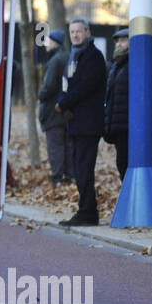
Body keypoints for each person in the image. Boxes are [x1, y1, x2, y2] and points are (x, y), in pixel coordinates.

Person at [55, 18, 107, 227]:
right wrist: (63, 103)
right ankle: (86, 209)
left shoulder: (92, 57)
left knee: (84, 168)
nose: (75, 35)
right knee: (79, 168)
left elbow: (83, 87)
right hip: (76, 121)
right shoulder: (74, 57)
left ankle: (88, 212)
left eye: (79, 31)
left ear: (88, 32)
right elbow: (67, 85)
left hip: (88, 123)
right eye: (72, 32)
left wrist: (64, 104)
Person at [37, 28, 71, 186]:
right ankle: (69, 177)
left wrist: (40, 95)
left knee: (55, 147)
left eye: (49, 41)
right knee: (67, 145)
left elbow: (48, 86)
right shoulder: (68, 57)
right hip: (66, 110)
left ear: (56, 43)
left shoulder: (55, 60)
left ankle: (57, 178)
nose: (46, 44)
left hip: (52, 111)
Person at [103, 27, 130, 180]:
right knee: (121, 164)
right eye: (117, 41)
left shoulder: (132, 64)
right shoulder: (116, 65)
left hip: (127, 125)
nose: (119, 44)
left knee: (124, 163)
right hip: (118, 125)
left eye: (123, 40)